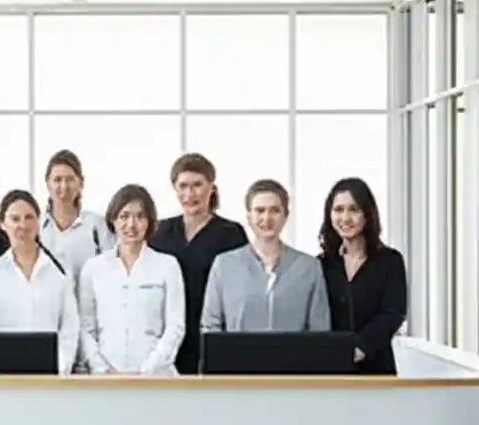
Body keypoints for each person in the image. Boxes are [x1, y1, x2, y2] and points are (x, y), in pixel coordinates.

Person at [148, 153, 248, 374]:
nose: (189, 194)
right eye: (183, 186)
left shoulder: (231, 234)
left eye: (197, 185)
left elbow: (238, 292)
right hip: (166, 339)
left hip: (210, 336)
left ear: (211, 187)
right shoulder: (159, 232)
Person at [201, 179, 331, 338]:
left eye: (275, 210)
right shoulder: (224, 265)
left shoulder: (308, 268)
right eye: (259, 210)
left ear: (286, 215)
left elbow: (320, 329)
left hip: (293, 361)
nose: (267, 218)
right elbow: (210, 325)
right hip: (236, 361)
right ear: (249, 216)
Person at [78, 184, 185, 376]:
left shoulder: (167, 265)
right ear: (113, 221)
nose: (131, 225)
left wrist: (147, 370)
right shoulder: (94, 268)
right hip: (106, 378)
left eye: (140, 216)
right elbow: (86, 328)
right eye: (124, 216)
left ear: (149, 221)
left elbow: (175, 327)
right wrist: (104, 369)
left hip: (156, 377)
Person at [0, 190, 80, 374]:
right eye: (15, 218)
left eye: (29, 217)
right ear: (2, 224)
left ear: (38, 221)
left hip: (51, 377)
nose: (23, 224)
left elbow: (69, 327)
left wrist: (60, 369)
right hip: (4, 377)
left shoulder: (60, 272)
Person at [318, 177, 408, 375]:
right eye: (338, 210)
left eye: (354, 209)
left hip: (377, 368)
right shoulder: (321, 265)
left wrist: (361, 347)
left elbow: (393, 313)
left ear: (367, 214)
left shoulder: (389, 260)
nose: (346, 218)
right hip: (330, 368)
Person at [37, 150, 114, 279]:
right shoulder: (36, 228)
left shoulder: (98, 227)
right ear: (48, 183)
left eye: (70, 179)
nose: (64, 186)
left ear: (81, 183)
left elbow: (112, 270)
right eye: (57, 180)